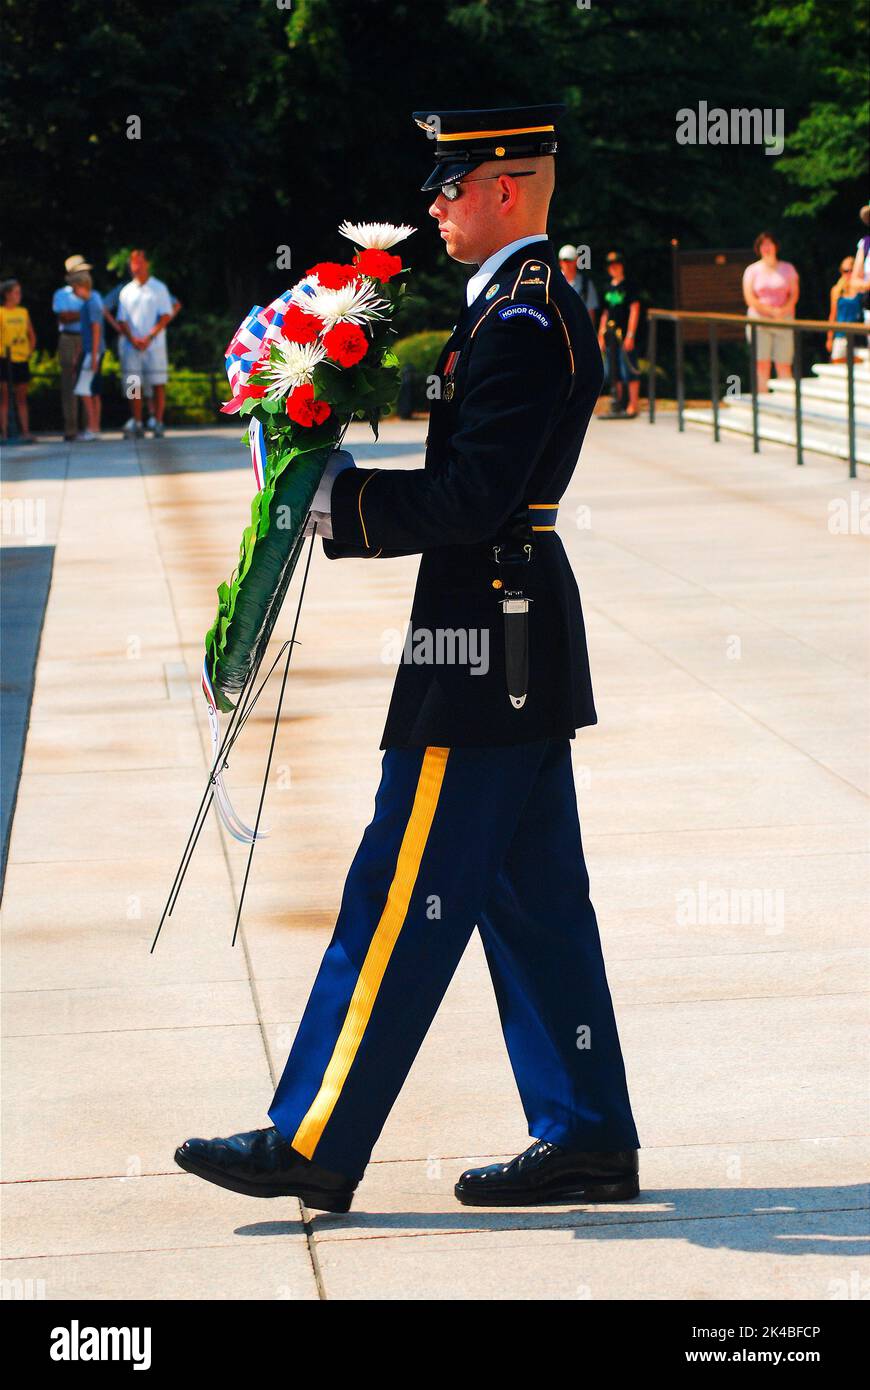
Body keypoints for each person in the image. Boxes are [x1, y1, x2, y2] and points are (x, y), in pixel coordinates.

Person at [176, 104, 641, 1214]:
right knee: (533, 899)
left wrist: (341, 500)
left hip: (486, 642)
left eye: (452, 187)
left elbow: (475, 498)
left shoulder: (525, 321)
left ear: (510, 193)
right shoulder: (511, 310)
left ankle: (314, 1134)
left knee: (400, 891)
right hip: (507, 631)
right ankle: (584, 1131)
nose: (434, 205)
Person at [117, 249, 173, 438]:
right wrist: (133, 339)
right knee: (134, 384)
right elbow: (122, 320)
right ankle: (138, 421)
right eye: (133, 263)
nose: (136, 267)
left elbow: (166, 315)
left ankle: (157, 421)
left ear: (146, 264)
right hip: (132, 345)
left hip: (154, 345)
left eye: (139, 263)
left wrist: (149, 337)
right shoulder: (126, 291)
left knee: (158, 382)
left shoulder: (158, 288)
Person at [742, 231, 800, 394]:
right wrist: (768, 311)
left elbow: (794, 294)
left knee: (784, 363)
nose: (767, 248)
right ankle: (763, 399)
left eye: (769, 244)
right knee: (762, 363)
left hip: (784, 318)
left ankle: (787, 401)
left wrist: (782, 311)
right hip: (759, 319)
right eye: (763, 245)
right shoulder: (752, 270)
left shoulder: (787, 268)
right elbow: (749, 297)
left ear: (776, 246)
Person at [598, 250, 642, 416]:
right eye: (611, 266)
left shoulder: (629, 286)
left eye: (616, 265)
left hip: (624, 334)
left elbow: (634, 309)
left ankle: (633, 404)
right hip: (610, 333)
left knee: (628, 368)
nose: (614, 268)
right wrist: (600, 334)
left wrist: (630, 334)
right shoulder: (607, 287)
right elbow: (605, 312)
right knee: (613, 369)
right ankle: (618, 403)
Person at [53, 255, 89, 440]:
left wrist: (76, 314)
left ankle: (89, 427)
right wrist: (84, 313)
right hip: (69, 338)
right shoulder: (62, 294)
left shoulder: (91, 294)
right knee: (69, 384)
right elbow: (63, 317)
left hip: (86, 339)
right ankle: (71, 429)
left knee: (87, 383)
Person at [69, 270, 104, 441]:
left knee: (85, 389)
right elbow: (87, 333)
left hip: (93, 352)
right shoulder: (89, 303)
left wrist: (94, 354)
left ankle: (92, 427)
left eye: (74, 288)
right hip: (91, 350)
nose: (74, 292)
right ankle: (95, 427)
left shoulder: (91, 304)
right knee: (93, 390)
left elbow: (96, 329)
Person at [0, 278, 37, 443]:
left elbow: (31, 335)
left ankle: (25, 432)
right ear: (7, 294)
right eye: (16, 292)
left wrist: (29, 351)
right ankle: (5, 433)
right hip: (5, 359)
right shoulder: (1, 312)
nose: (18, 295)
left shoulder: (23, 312)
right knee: (5, 397)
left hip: (21, 358)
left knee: (22, 398)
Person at [827, 256, 863, 362]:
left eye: (851, 271)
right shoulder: (836, 291)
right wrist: (829, 338)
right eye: (845, 271)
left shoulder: (861, 290)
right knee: (837, 362)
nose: (848, 274)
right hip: (840, 335)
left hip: (858, 336)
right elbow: (833, 314)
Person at [558, 242, 599, 321]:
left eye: (570, 260)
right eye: (565, 261)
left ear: (576, 261)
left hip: (579, 329)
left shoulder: (586, 283)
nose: (568, 264)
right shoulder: (553, 282)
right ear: (560, 262)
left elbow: (590, 312)